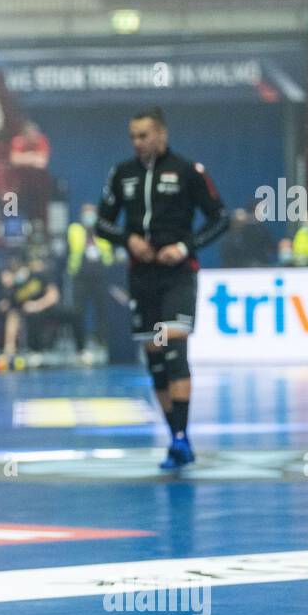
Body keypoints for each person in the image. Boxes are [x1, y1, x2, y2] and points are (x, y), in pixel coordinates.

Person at [95, 107, 227, 470]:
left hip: (179, 273)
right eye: (133, 137)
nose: (137, 143)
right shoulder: (122, 174)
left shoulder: (187, 171)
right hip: (143, 277)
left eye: (144, 135)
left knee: (172, 344)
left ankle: (182, 439)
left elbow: (220, 217)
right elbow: (101, 223)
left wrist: (184, 247)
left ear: (162, 135)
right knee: (155, 355)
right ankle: (176, 439)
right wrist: (128, 239)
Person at [67, 204, 115, 362]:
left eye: (92, 213)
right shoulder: (75, 229)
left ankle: (102, 344)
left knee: (102, 311)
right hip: (80, 277)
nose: (89, 216)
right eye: (86, 213)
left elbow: (109, 253)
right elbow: (72, 249)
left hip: (99, 277)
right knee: (77, 312)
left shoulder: (103, 231)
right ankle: (80, 348)